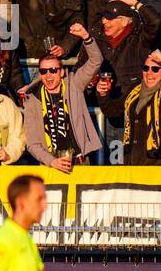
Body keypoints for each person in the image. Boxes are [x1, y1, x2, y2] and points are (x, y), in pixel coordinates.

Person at [23, 29, 104, 171]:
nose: (48, 75)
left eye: (53, 70)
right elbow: (32, 143)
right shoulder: (32, 99)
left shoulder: (74, 83)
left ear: (61, 72)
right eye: (43, 71)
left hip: (80, 163)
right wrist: (51, 161)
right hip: (50, 166)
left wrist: (86, 37)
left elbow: (96, 61)